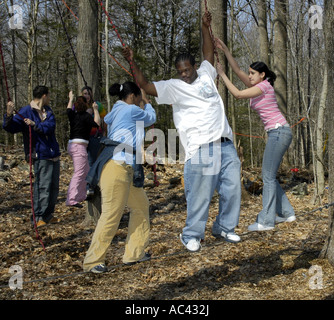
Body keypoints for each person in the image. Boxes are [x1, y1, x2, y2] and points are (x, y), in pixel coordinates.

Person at [122, 12, 242, 253]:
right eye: (180, 71)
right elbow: (145, 86)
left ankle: (224, 227)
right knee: (200, 195)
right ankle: (191, 235)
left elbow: (208, 52)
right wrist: (132, 62)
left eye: (187, 70)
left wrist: (204, 26)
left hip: (225, 143)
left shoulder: (207, 73)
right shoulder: (174, 87)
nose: (184, 74)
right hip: (201, 147)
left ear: (195, 67)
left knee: (232, 188)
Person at [215, 38, 295, 232]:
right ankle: (286, 213)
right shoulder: (257, 85)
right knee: (269, 176)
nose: (249, 76)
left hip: (279, 132)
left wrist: (221, 74)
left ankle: (267, 221)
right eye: (249, 73)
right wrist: (225, 49)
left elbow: (238, 94)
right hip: (278, 132)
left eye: (253, 73)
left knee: (267, 177)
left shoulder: (265, 86)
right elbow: (238, 71)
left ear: (262, 75)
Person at [83, 81, 156, 273]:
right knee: (111, 214)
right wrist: (147, 102)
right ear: (132, 97)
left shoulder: (118, 111)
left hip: (127, 167)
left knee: (141, 207)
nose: (140, 101)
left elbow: (109, 122)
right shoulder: (130, 110)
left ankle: (134, 253)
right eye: (138, 98)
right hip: (117, 166)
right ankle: (92, 261)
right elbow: (151, 117)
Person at [3, 86, 61, 228]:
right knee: (42, 186)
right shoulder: (26, 111)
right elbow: (10, 127)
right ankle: (38, 217)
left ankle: (48, 215)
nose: (49, 98)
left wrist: (36, 125)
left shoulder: (48, 111)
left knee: (54, 187)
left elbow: (50, 126)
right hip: (40, 155)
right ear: (43, 96)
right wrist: (9, 115)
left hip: (53, 154)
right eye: (48, 96)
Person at [66, 91, 101, 208]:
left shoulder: (73, 115)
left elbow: (68, 110)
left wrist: (70, 99)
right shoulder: (85, 116)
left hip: (73, 146)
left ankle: (80, 195)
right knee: (79, 173)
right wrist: (95, 110)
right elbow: (96, 124)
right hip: (79, 147)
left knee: (86, 171)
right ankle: (71, 199)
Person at [81, 86, 107, 167]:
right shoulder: (78, 105)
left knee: (92, 160)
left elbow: (104, 119)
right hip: (82, 137)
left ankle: (92, 178)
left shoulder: (97, 105)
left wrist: (105, 133)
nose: (87, 96)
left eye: (89, 94)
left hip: (95, 137)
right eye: (85, 94)